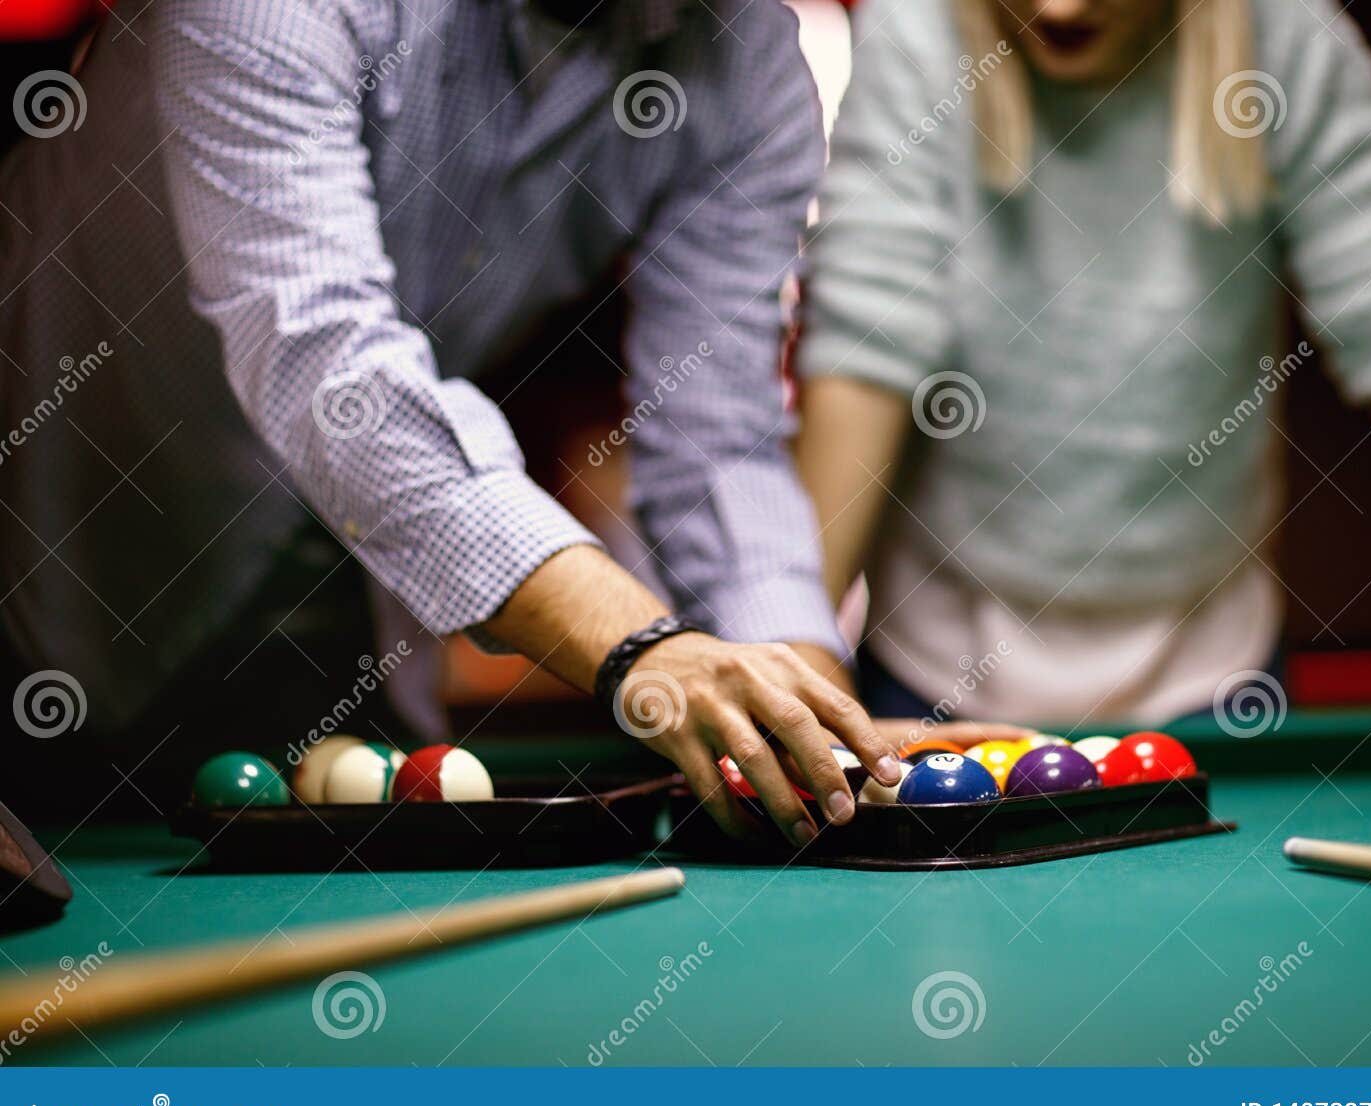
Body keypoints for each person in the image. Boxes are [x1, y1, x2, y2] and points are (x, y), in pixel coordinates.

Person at [0, 0, 1004, 840]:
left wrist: (810, 709)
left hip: (341, 590)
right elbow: (330, 366)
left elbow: (717, 434)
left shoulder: (745, 59)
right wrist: (639, 650)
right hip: (40, 573)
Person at [794, 0, 1371, 758]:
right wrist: (798, 655)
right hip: (937, 665)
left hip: (1216, 671)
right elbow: (864, 352)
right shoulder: (916, 31)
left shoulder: (1283, 36)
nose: (1064, 8)